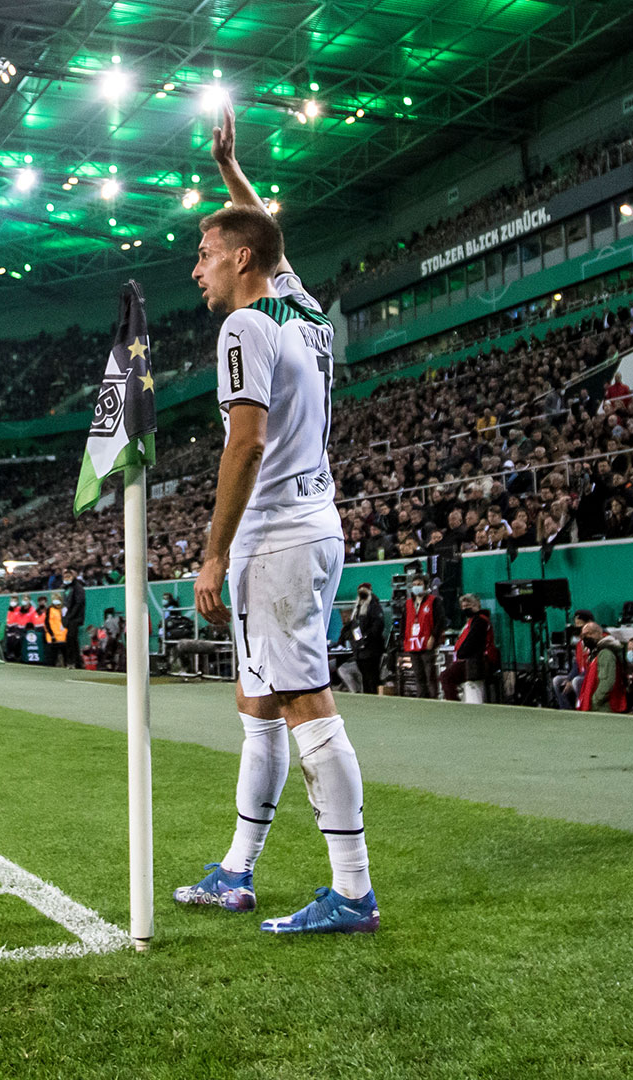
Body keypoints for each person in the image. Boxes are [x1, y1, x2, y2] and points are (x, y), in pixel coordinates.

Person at [174, 103, 376, 935]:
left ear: (241, 261)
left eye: (206, 253)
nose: (197, 269)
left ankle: (354, 890)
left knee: (304, 706)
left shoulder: (246, 327)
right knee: (258, 706)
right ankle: (236, 871)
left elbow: (245, 444)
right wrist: (230, 170)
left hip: (278, 543)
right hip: (311, 526)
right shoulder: (306, 315)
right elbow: (273, 240)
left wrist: (213, 555)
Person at [440, 594, 497, 702]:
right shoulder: (471, 621)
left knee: (446, 677)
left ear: (477, 605)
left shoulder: (480, 620)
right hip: (470, 660)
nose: (466, 608)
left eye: (469, 605)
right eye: (463, 606)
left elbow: (473, 642)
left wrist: (461, 653)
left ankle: (453, 705)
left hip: (476, 661)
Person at [398, 571, 440, 698]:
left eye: (419, 584)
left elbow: (440, 621)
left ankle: (434, 700)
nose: (416, 586)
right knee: (418, 676)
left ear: (425, 586)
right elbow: (403, 623)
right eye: (414, 584)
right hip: (413, 645)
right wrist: (403, 640)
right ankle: (422, 700)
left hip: (427, 644)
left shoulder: (434, 601)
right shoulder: (408, 604)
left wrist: (433, 637)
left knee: (430, 676)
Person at [341, 581, 385, 694]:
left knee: (372, 677)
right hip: (360, 650)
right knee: (364, 677)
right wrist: (351, 638)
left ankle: (375, 698)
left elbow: (378, 625)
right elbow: (352, 626)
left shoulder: (374, 606)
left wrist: (366, 638)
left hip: (371, 649)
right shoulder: (358, 608)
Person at [575, 622, 624, 713]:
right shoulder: (596, 653)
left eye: (589, 633)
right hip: (600, 707)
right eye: (583, 635)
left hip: (604, 708)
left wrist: (595, 700)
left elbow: (607, 682)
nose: (585, 638)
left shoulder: (606, 653)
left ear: (599, 633)